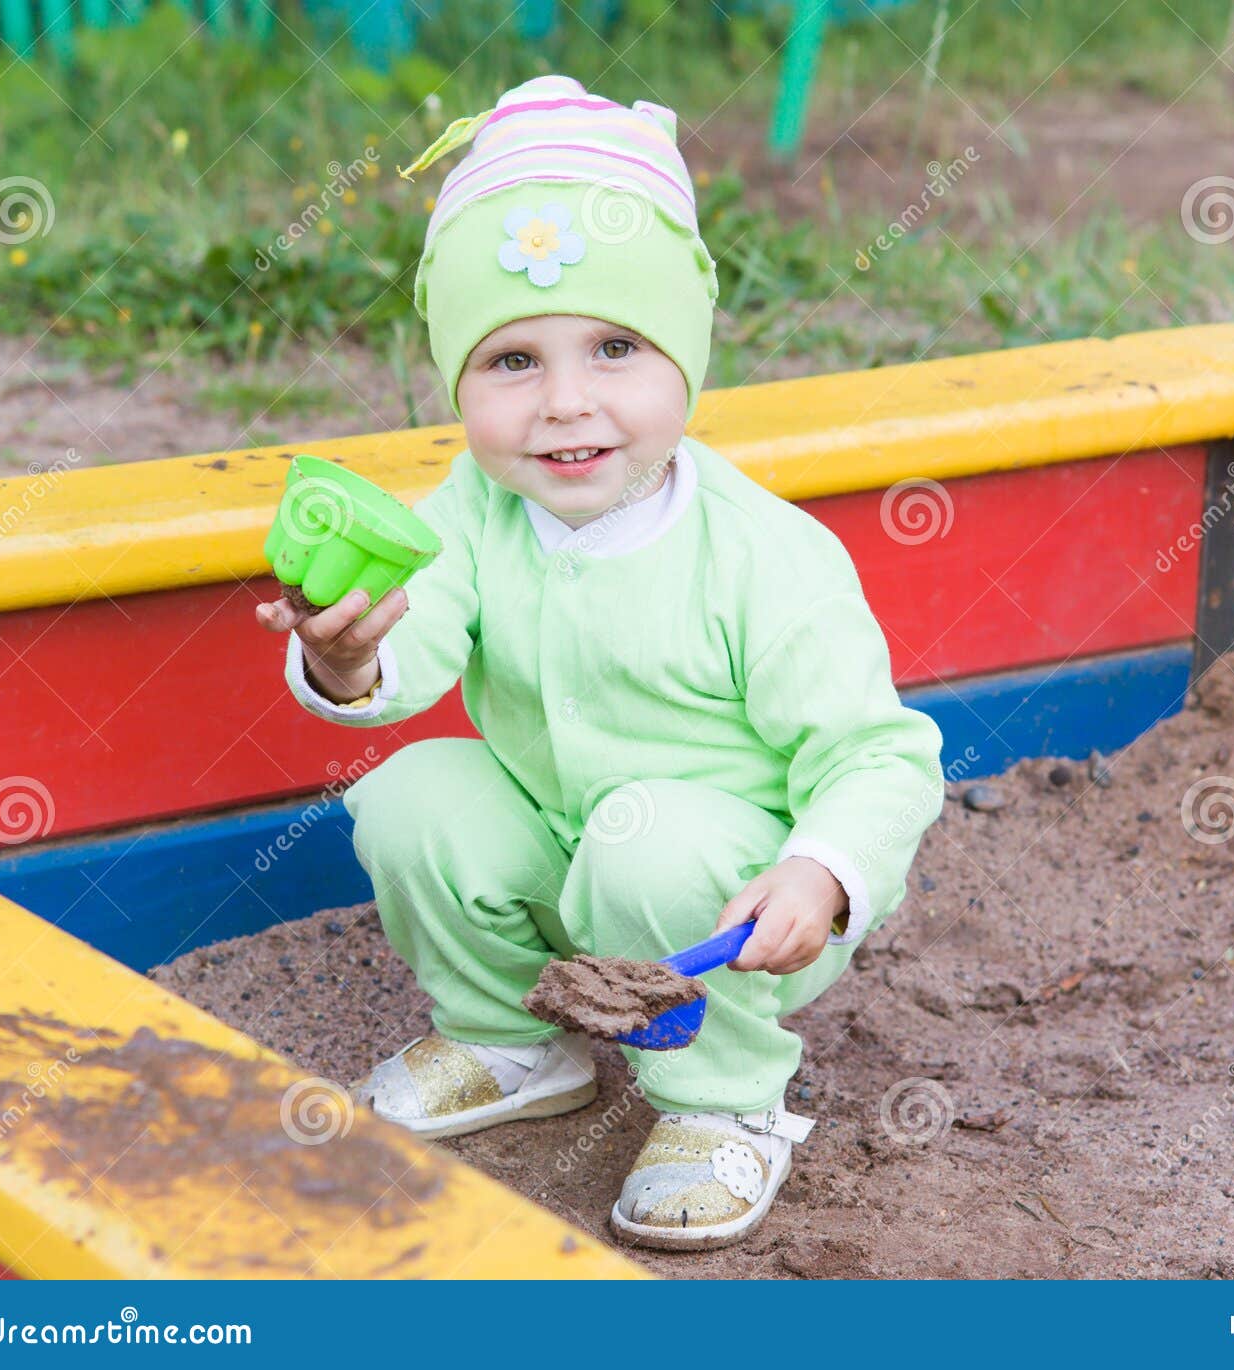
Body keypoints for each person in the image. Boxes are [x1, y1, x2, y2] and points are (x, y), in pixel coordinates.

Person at [254, 73, 945, 1251]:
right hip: (561, 855)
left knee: (644, 836)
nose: (567, 404)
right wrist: (355, 653)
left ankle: (723, 1102)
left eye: (617, 346)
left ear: (690, 355)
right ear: (456, 381)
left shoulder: (762, 553)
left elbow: (878, 752)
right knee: (408, 794)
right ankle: (510, 1040)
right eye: (511, 362)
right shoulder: (474, 507)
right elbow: (417, 640)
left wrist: (820, 874)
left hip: (723, 901)